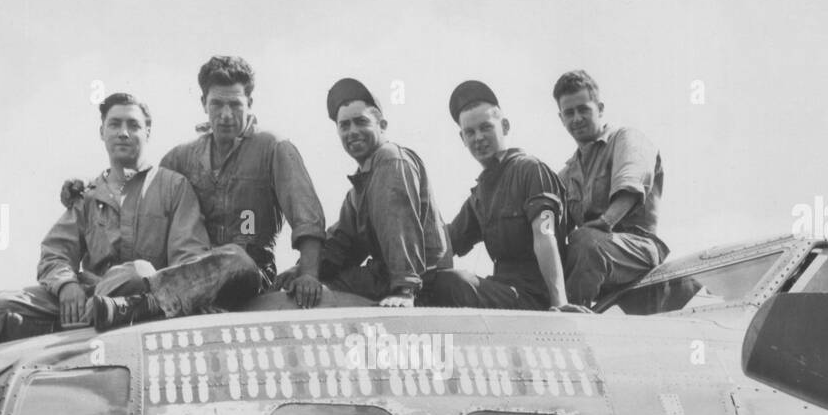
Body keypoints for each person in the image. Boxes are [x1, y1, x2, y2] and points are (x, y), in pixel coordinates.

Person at [0, 92, 220, 346]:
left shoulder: (173, 187)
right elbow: (55, 252)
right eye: (114, 124)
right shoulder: (89, 195)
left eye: (133, 125)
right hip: (87, 297)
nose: (123, 133)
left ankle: (105, 310)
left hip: (147, 299)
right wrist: (66, 285)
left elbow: (189, 258)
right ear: (101, 132)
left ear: (147, 132)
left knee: (138, 271)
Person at [158, 56, 329, 308]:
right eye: (216, 104)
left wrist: (309, 275)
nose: (226, 115)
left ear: (249, 103)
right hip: (190, 271)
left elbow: (307, 216)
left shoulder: (274, 147)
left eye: (235, 105)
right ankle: (144, 300)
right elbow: (152, 210)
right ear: (203, 103)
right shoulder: (179, 158)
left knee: (237, 258)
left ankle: (152, 302)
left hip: (250, 272)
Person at [277, 78, 450, 307]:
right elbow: (341, 244)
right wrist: (301, 271)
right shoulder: (358, 189)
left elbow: (398, 223)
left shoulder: (390, 159)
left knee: (317, 300)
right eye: (345, 125)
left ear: (382, 125)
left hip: (422, 281)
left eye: (361, 122)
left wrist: (404, 289)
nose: (353, 131)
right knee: (305, 290)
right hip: (383, 276)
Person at [428, 80, 580, 312]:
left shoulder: (530, 170)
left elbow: (545, 234)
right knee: (434, 283)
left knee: (454, 283)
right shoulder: (480, 194)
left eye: (486, 127)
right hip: (504, 292)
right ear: (462, 139)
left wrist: (559, 303)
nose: (478, 137)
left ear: (505, 126)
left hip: (535, 298)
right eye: (470, 132)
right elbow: (447, 242)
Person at [552, 69, 669, 307]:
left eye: (584, 109)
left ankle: (570, 321)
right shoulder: (565, 175)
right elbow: (555, 228)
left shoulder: (627, 138)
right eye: (569, 112)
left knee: (584, 241)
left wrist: (606, 221)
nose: (576, 118)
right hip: (592, 254)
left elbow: (631, 186)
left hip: (638, 249)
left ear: (600, 108)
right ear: (560, 118)